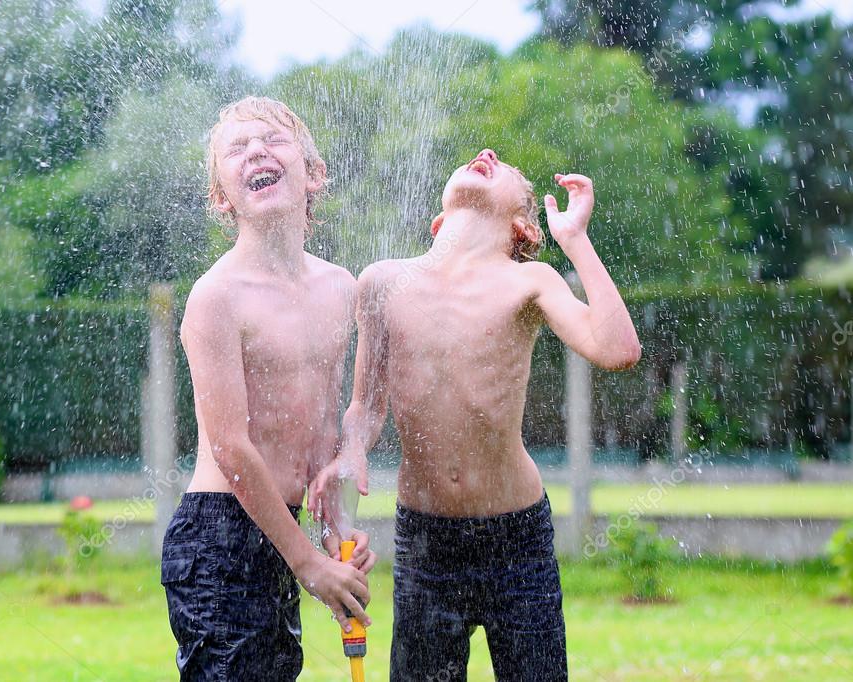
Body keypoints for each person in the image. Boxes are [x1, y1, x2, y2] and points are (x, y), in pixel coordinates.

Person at [309, 149, 641, 681]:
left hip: (518, 537)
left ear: (523, 228)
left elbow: (618, 348)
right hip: (426, 542)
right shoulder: (382, 282)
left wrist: (575, 241)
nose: (485, 155)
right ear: (438, 220)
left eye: (506, 166)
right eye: (479, 156)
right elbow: (365, 408)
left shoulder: (530, 281)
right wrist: (349, 451)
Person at [161, 96, 376, 681]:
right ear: (220, 197)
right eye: (237, 148)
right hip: (220, 537)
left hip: (283, 526)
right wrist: (308, 563)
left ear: (314, 173)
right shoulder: (217, 297)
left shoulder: (340, 287)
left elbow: (320, 432)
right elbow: (229, 447)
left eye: (274, 141)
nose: (256, 149)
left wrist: (335, 532)